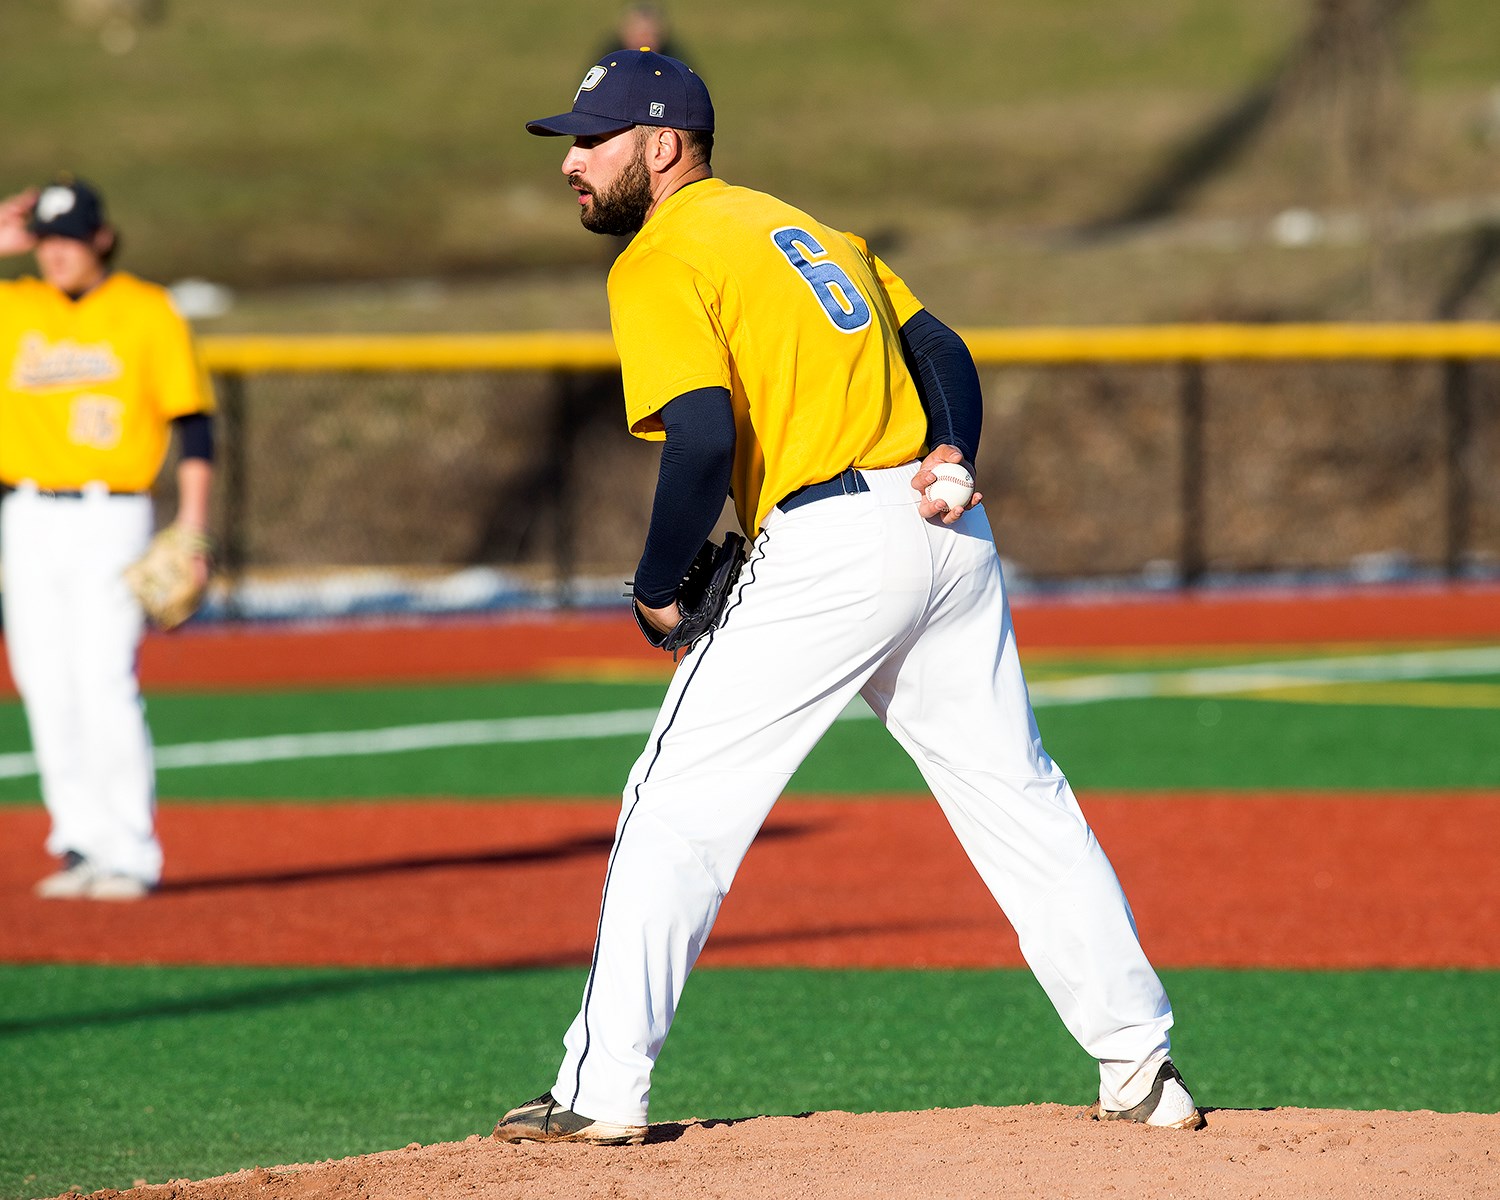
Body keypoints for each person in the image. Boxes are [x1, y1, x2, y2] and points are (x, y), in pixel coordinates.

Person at [495, 50, 1204, 1145]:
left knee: (675, 802)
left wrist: (652, 591)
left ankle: (602, 1092)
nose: (572, 163)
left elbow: (701, 438)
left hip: (829, 549)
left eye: (593, 140)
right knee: (1018, 797)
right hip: (945, 528)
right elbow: (940, 346)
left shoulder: (660, 255)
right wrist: (955, 447)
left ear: (665, 144)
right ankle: (1141, 1068)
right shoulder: (807, 230)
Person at [0, 176, 215, 900]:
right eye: (46, 239)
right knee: (43, 681)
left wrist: (191, 527)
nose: (57, 254)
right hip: (26, 514)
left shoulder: (147, 310)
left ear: (101, 237)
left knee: (102, 678)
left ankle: (128, 849)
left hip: (111, 514)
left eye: (71, 238)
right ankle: (79, 841)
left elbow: (195, 426)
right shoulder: (13, 307)